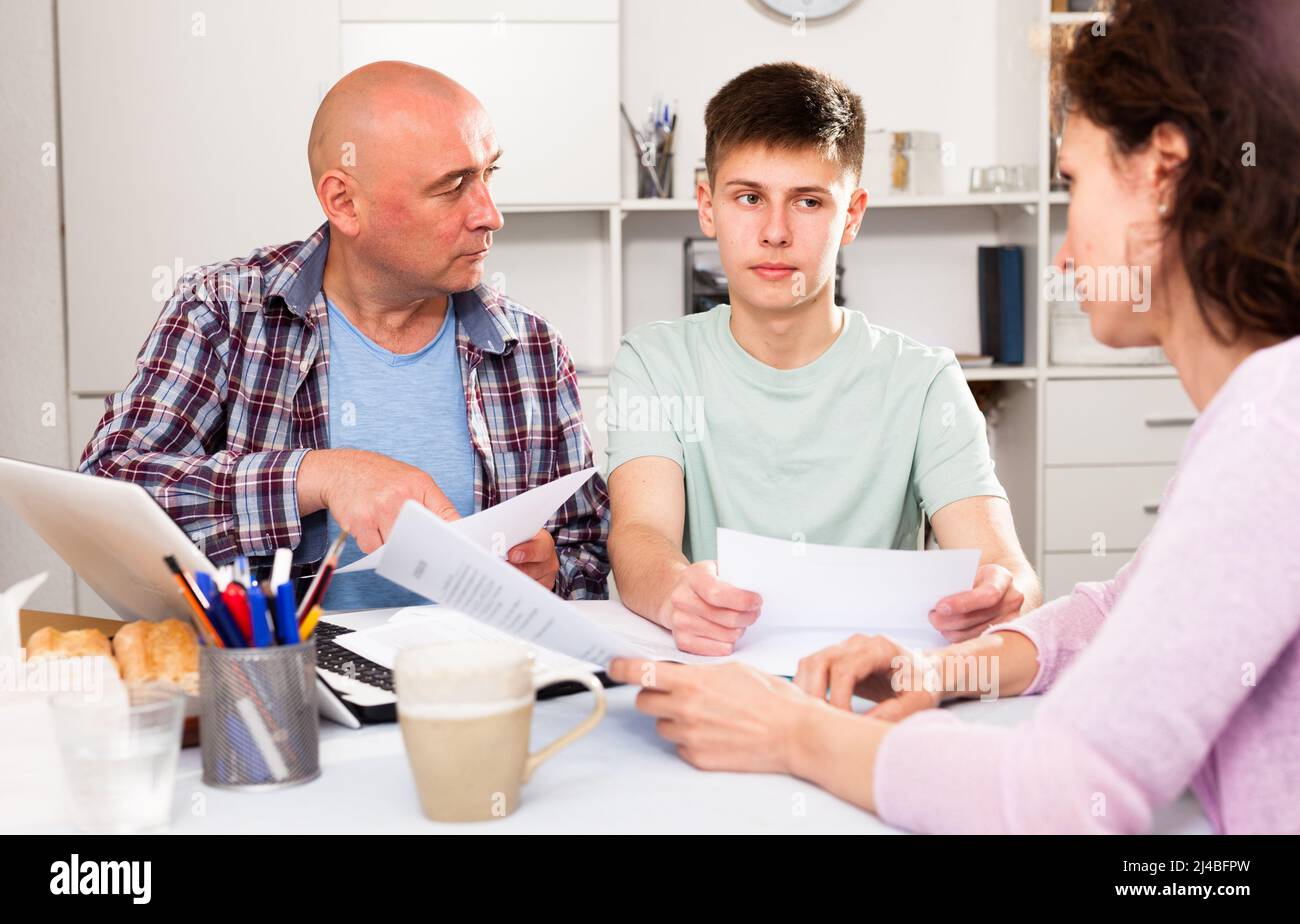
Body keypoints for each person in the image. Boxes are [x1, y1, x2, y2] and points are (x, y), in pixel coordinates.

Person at [610, 0, 1300, 833]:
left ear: (1160, 176)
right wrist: (937, 671)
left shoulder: (1275, 427)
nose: (1063, 253)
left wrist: (794, 732)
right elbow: (1112, 618)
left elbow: (1055, 795)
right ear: (708, 204)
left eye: (1072, 183)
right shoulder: (1262, 417)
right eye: (750, 197)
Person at [80, 62, 609, 607]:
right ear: (343, 202)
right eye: (453, 186)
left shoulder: (531, 347)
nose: (490, 215)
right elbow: (110, 490)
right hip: (285, 688)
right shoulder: (223, 309)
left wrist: (553, 572)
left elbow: (586, 546)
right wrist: (318, 475)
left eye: (488, 174)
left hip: (477, 684)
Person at [605, 62, 1040, 654]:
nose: (775, 232)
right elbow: (639, 535)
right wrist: (675, 591)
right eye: (749, 197)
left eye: (808, 202)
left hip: (868, 690)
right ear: (708, 206)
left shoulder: (924, 380)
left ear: (852, 214)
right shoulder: (654, 363)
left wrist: (1000, 594)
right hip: (713, 674)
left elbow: (1006, 565)